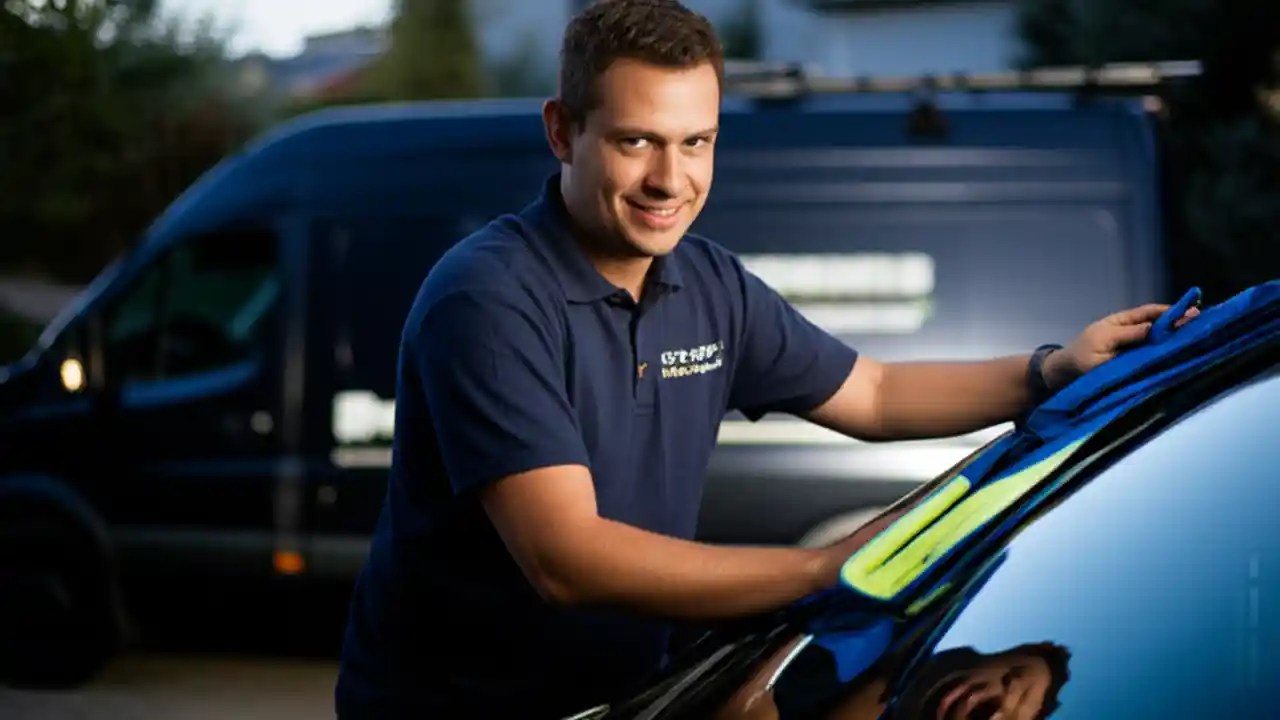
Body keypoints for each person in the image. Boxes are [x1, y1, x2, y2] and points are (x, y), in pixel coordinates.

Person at [334, 1, 1198, 717]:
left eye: (697, 142)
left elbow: (877, 393)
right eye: (638, 141)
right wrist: (826, 572)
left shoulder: (706, 282)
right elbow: (568, 559)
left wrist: (1051, 369)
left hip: (629, 696)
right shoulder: (488, 299)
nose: (671, 180)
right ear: (562, 132)